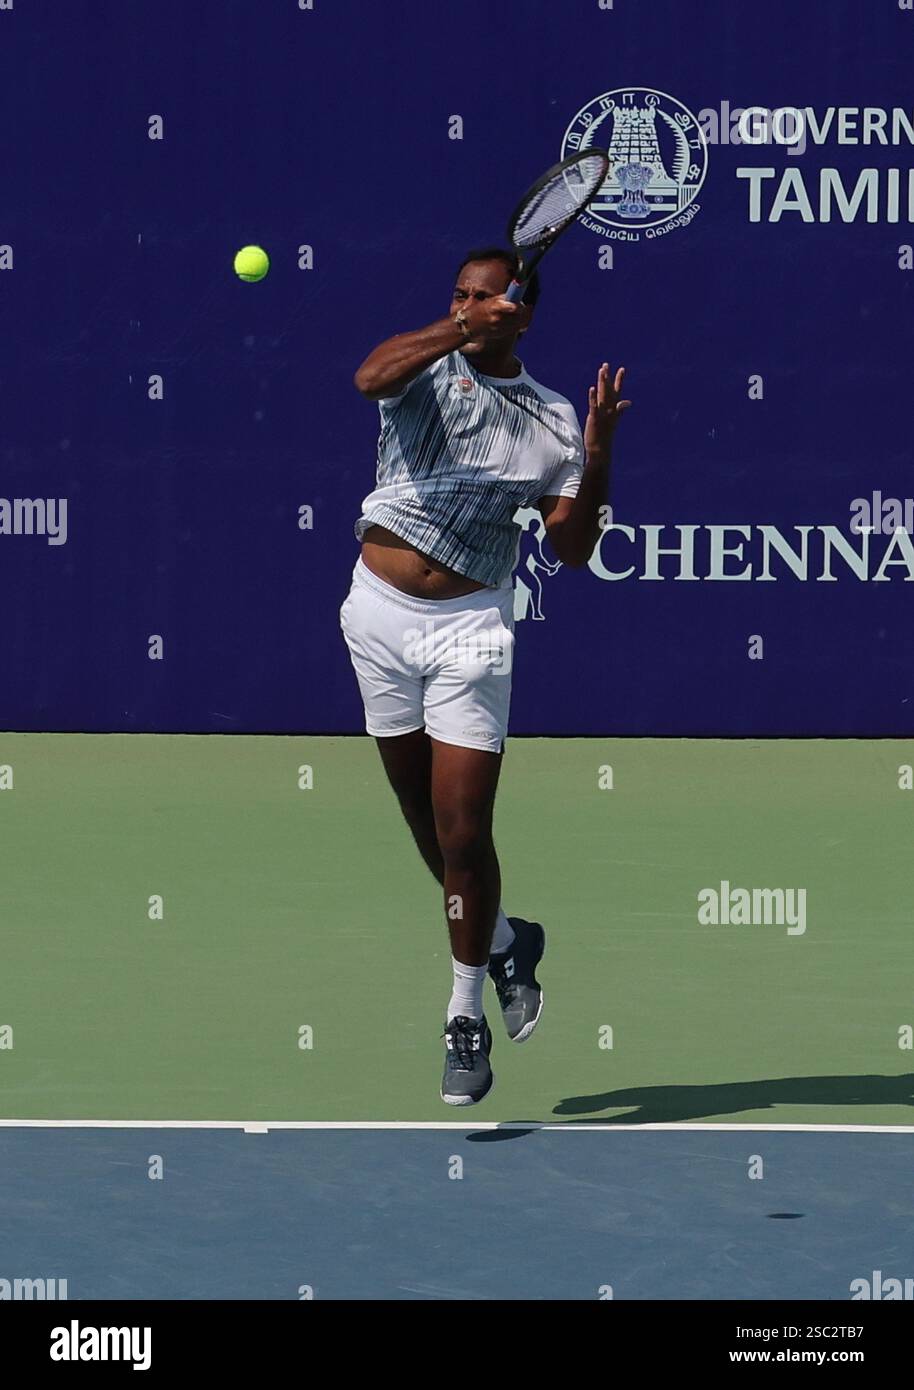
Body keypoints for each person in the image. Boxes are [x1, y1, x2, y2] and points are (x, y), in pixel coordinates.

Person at [340, 247, 630, 1104]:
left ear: (521, 314)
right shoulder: (422, 370)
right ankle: (507, 938)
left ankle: (465, 1013)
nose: (469, 307)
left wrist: (600, 446)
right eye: (460, 295)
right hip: (377, 619)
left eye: (485, 298)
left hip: (470, 630)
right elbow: (367, 376)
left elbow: (574, 550)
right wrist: (456, 328)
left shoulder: (545, 419)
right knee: (423, 822)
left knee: (463, 832)